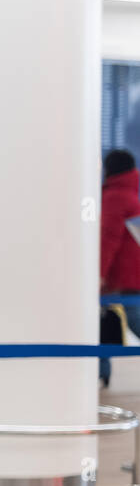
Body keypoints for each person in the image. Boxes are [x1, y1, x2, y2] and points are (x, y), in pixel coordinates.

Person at [99, 149, 140, 386]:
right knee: (102, 321)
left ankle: (101, 370)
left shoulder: (116, 196)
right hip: (130, 274)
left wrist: (100, 274)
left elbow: (108, 239)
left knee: (133, 320)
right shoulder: (129, 194)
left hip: (124, 276)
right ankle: (101, 370)